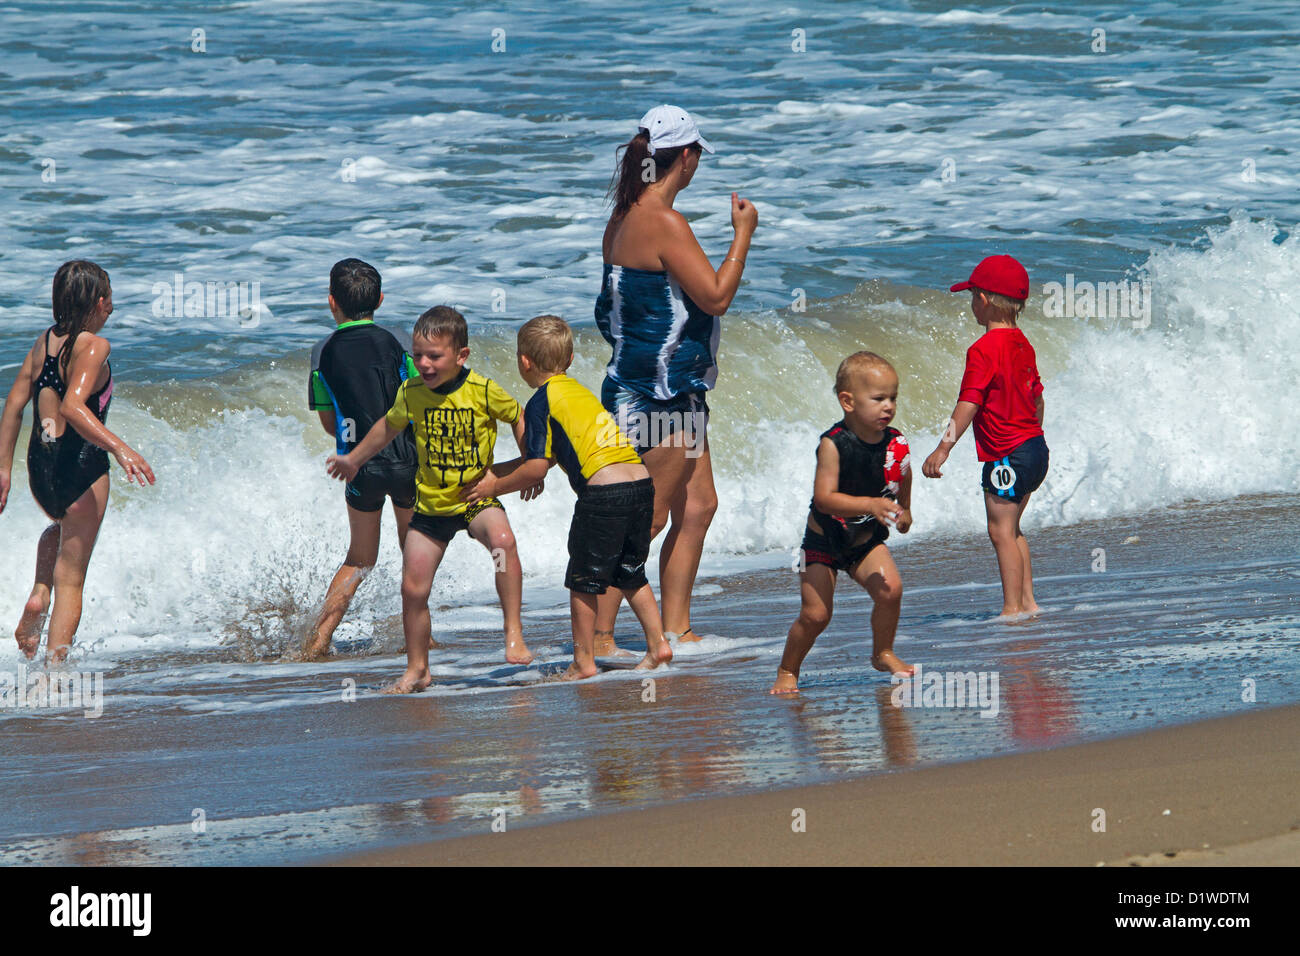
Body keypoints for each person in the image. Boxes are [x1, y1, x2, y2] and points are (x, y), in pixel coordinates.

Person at [592, 104, 757, 653]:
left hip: (668, 388)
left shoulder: (623, 214)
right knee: (649, 517)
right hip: (654, 394)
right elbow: (715, 296)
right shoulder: (663, 221)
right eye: (696, 157)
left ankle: (676, 628)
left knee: (698, 505)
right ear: (685, 157)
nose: (697, 166)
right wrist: (743, 235)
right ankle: (598, 637)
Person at [326, 306, 537, 692]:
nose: (423, 363)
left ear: (461, 356)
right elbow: (386, 428)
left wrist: (526, 465)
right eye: (419, 354)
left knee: (503, 544)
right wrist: (353, 460)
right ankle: (417, 669)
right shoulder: (412, 393)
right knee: (413, 588)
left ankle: (513, 633)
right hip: (431, 506)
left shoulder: (484, 391)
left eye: (434, 356)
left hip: (474, 497)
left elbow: (518, 415)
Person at [462, 315, 673, 680]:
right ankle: (658, 646)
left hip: (603, 494)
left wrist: (492, 486)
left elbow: (537, 467)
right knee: (629, 572)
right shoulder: (579, 393)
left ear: (524, 361)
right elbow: (549, 456)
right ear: (570, 360)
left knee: (582, 579)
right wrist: (499, 471)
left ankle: (583, 662)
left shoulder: (540, 403)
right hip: (639, 483)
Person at [0, 260, 155, 663]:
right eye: (110, 302)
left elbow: (14, 405)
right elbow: (73, 407)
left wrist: (3, 469)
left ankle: (38, 593)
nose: (112, 310)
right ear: (100, 302)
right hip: (82, 471)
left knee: (60, 527)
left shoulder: (44, 343)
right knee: (72, 580)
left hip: (40, 471)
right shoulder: (94, 346)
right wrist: (121, 449)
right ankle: (53, 674)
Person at [772, 352, 914, 695]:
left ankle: (882, 652)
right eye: (878, 398)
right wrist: (870, 503)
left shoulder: (895, 444)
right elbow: (825, 498)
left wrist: (905, 510)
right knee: (816, 615)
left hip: (864, 541)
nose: (888, 406)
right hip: (822, 542)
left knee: (891, 590)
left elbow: (904, 476)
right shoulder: (833, 444)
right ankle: (788, 669)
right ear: (847, 401)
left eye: (893, 398)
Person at [302, 258, 419, 660]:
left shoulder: (322, 352)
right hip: (408, 462)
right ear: (381, 300)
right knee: (415, 550)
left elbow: (328, 422)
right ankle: (418, 638)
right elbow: (418, 399)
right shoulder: (399, 342)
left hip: (359, 467)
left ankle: (320, 637)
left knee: (360, 558)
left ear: (331, 302)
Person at [922, 255, 1048, 619]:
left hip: (1007, 455)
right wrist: (1033, 436)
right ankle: (1028, 604)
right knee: (1013, 530)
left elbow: (969, 402)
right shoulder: (1023, 343)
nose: (971, 303)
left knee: (1000, 533)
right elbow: (1037, 397)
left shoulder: (982, 350)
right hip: (1035, 449)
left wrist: (942, 447)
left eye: (973, 295)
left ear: (985, 301)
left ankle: (1011, 609)